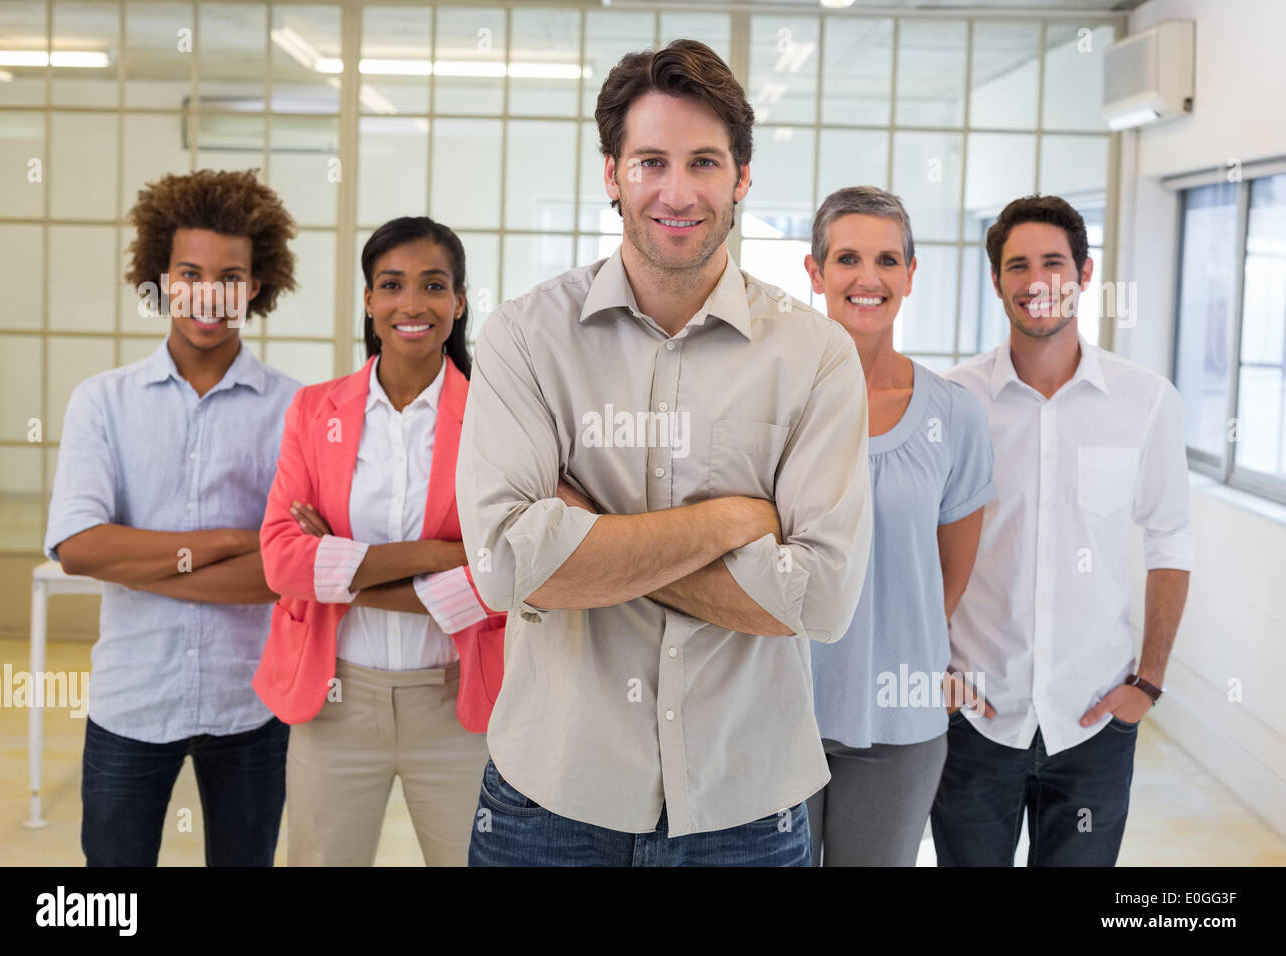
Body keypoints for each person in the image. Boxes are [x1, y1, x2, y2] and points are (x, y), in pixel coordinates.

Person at [456, 39, 872, 867]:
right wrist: (730, 523)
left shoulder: (816, 354)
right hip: (552, 799)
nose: (677, 192)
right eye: (650, 161)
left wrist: (592, 539)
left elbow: (819, 600)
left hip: (747, 806)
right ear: (611, 172)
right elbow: (506, 567)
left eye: (704, 162)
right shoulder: (525, 338)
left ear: (741, 178)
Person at [44, 169, 301, 866]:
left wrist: (142, 562)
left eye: (231, 275)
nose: (209, 294)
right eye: (190, 271)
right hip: (132, 703)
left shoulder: (294, 411)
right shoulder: (102, 402)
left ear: (256, 286)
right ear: (161, 278)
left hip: (251, 707)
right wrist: (227, 541)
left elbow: (287, 573)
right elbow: (79, 548)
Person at [931, 194, 1194, 867]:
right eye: (1018, 265)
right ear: (997, 282)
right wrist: (933, 670)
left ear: (1084, 273)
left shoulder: (1145, 401)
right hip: (977, 723)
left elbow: (1170, 540)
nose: (1036, 280)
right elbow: (916, 547)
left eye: (1053, 261)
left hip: (1094, 728)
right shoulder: (956, 402)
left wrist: (1149, 683)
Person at [253, 216, 506, 867]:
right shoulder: (315, 411)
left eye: (433, 285)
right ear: (369, 301)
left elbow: (504, 577)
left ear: (460, 300)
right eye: (392, 285)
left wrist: (339, 564)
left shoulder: (495, 422)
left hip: (458, 702)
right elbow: (282, 559)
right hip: (335, 697)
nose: (412, 304)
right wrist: (437, 556)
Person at [801, 186, 996, 867]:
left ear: (911, 274)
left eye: (888, 259)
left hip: (900, 719)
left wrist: (897, 648)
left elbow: (948, 575)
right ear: (815, 272)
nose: (868, 277)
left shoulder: (956, 416)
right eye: (848, 257)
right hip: (780, 710)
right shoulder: (772, 404)